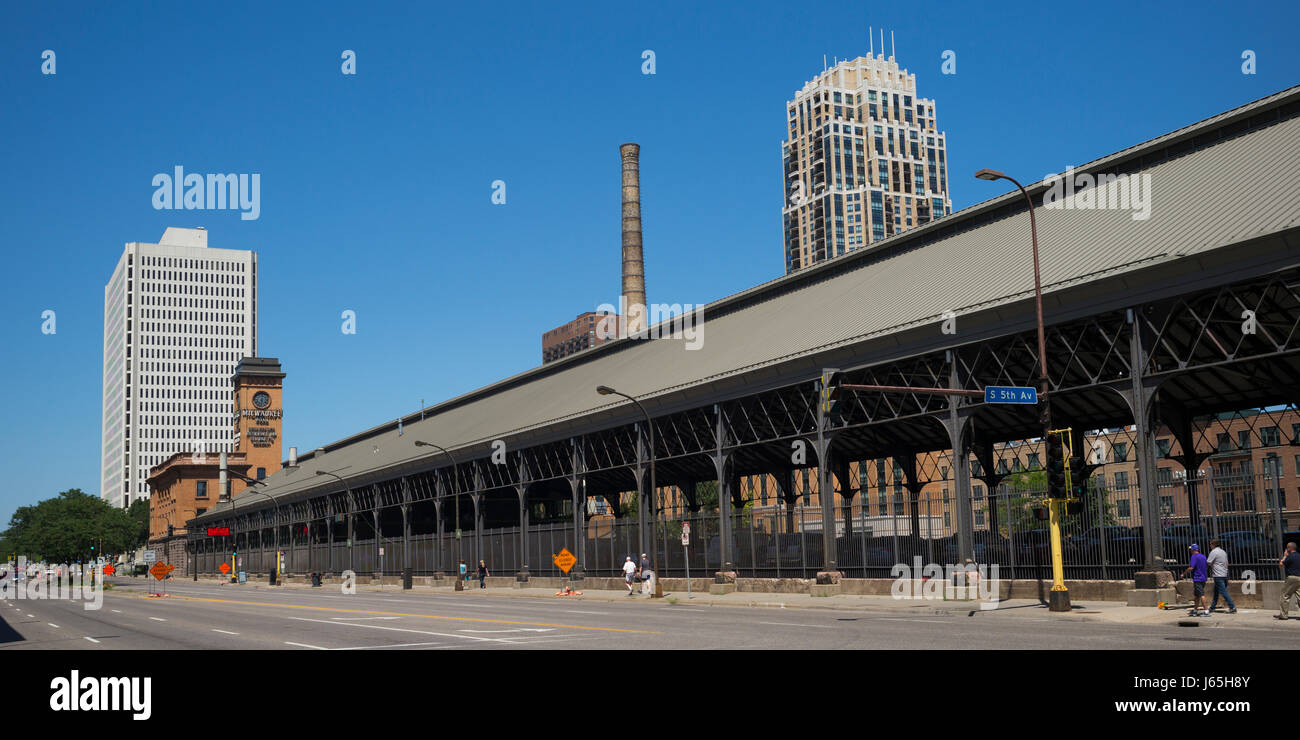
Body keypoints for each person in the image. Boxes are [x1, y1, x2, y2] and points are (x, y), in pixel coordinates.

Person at [1206, 538, 1236, 614]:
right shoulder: (1223, 552)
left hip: (1218, 575)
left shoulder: (1214, 552)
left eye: (1210, 544)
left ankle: (1232, 606)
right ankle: (1212, 607)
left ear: (1213, 544)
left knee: (1223, 592)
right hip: (1224, 574)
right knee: (1216, 591)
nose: (1210, 546)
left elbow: (1208, 562)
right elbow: (1227, 563)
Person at [1182, 544, 1209, 616]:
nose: (1190, 551)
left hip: (1198, 578)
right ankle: (1195, 610)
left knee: (1201, 594)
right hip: (1203, 578)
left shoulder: (1194, 556)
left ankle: (1206, 611)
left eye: (1191, 549)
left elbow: (1191, 567)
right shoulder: (1203, 556)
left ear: (1193, 550)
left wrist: (1183, 574)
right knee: (1197, 595)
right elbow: (1206, 566)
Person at [1276, 541, 1300, 620]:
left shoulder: (1290, 556)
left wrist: (1284, 556)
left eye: (1287, 547)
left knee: (1285, 596)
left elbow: (1281, 564)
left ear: (1289, 548)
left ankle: (1283, 615)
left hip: (1291, 578)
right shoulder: (1299, 555)